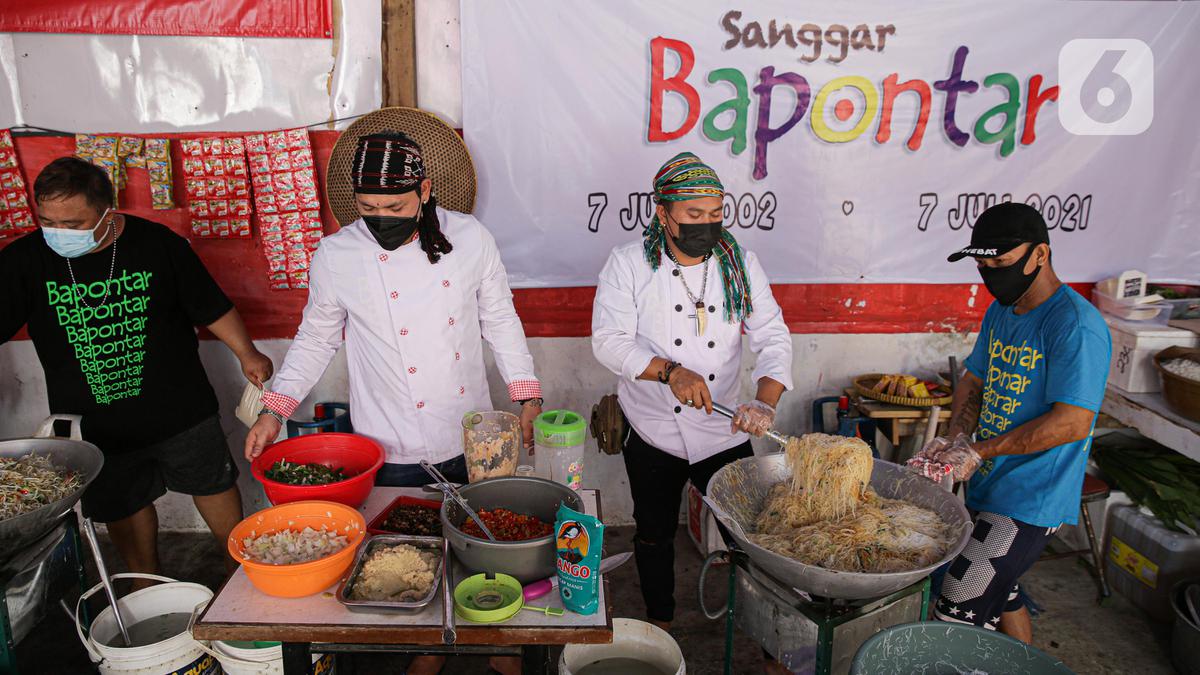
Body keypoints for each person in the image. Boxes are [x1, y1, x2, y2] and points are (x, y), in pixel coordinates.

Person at [243, 131, 540, 675]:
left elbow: (499, 318)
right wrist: (273, 408)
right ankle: (426, 643)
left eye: (395, 206)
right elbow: (315, 338)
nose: (381, 218)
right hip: (389, 432)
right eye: (369, 208)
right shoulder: (338, 254)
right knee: (408, 544)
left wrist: (526, 393)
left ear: (425, 190)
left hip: (468, 427)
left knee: (479, 536)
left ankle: (493, 639)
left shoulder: (471, 238)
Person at [0, 157, 272, 587]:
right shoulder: (23, 261)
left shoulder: (157, 244)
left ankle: (238, 569)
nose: (58, 233)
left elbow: (210, 306)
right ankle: (147, 586)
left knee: (213, 483)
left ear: (107, 213)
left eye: (73, 223)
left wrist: (247, 354)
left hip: (178, 406)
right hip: (96, 423)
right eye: (47, 221)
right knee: (122, 505)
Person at [592, 152, 793, 631]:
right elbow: (608, 341)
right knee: (654, 533)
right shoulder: (629, 265)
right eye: (694, 215)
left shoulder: (740, 263)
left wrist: (764, 402)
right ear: (663, 213)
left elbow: (772, 335)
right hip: (653, 428)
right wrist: (670, 372)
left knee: (750, 536)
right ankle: (659, 624)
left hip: (724, 428)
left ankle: (768, 633)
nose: (708, 224)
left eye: (716, 213)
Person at [909, 202, 1111, 642]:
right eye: (983, 264)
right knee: (1004, 593)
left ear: (1040, 255)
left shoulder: (1074, 326)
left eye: (1000, 263)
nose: (991, 273)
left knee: (958, 607)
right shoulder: (1003, 309)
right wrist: (956, 437)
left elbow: (1072, 422)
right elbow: (974, 381)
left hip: (1032, 496)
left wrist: (978, 450)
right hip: (990, 483)